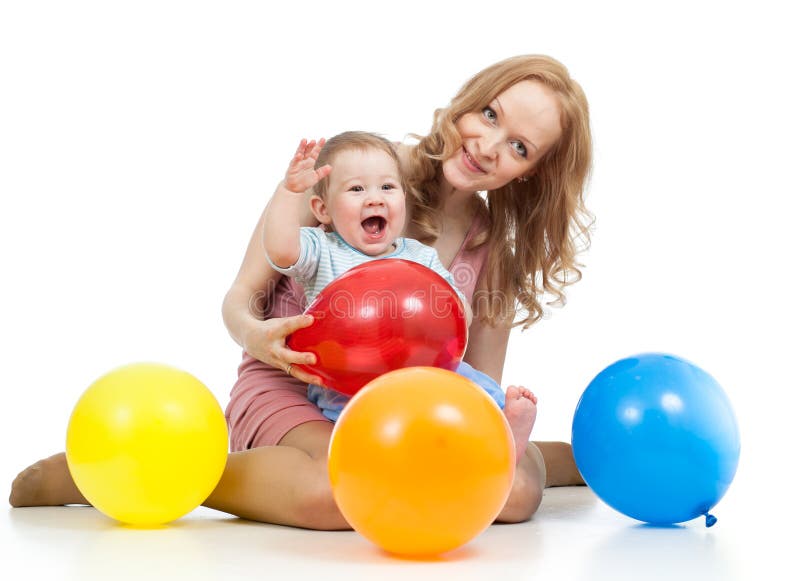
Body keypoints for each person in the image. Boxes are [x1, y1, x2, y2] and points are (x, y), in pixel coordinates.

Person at [10, 54, 592, 530]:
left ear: (532, 171)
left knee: (512, 496)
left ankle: (572, 461)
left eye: (519, 147)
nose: (489, 145)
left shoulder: (495, 254)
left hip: (396, 411)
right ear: (468, 101)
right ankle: (155, 466)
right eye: (489, 115)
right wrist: (259, 338)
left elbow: (478, 390)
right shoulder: (350, 174)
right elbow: (239, 301)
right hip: (295, 382)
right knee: (337, 493)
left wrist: (483, 445)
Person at [261, 130, 531, 434]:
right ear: (323, 210)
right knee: (351, 415)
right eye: (357, 189)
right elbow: (281, 250)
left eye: (387, 187)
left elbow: (458, 312)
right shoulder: (322, 248)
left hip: (420, 368)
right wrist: (289, 192)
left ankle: (501, 425)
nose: (375, 198)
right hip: (349, 376)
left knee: (467, 380)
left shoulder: (420, 256)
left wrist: (449, 314)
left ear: (403, 198)